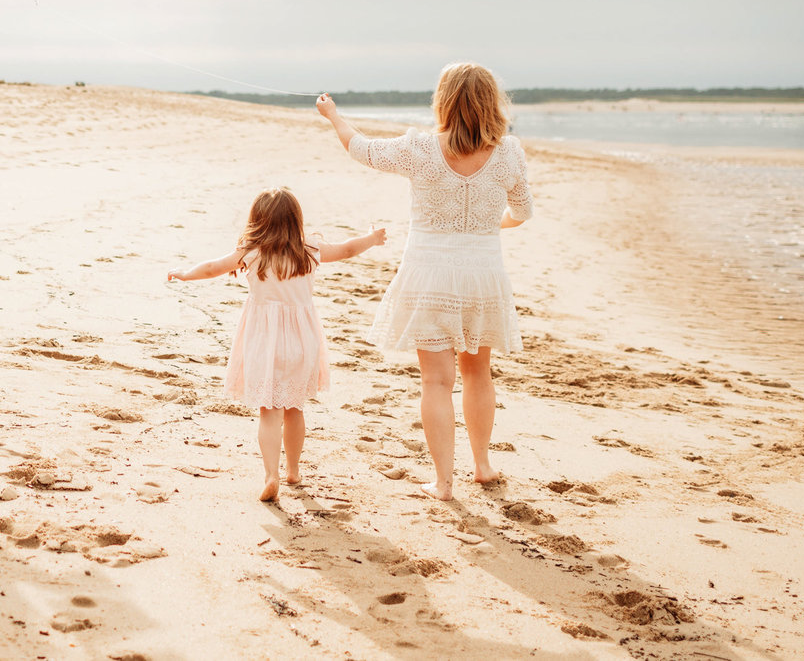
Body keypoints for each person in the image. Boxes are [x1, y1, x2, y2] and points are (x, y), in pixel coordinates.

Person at [315, 63, 532, 500]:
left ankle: (444, 483)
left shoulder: (421, 149)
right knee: (478, 374)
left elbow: (362, 149)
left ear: (443, 100)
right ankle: (483, 465)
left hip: (429, 272)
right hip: (484, 274)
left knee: (435, 381)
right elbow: (523, 211)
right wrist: (494, 227)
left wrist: (334, 116)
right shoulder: (509, 153)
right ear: (493, 103)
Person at [168, 187, 386, 502]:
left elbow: (214, 267)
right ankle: (293, 471)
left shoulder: (251, 252)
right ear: (295, 220)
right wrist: (371, 238)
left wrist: (186, 274)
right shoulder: (310, 248)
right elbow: (348, 249)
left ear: (257, 221)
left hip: (263, 341)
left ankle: (271, 474)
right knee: (295, 407)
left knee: (269, 410)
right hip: (303, 340)